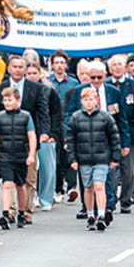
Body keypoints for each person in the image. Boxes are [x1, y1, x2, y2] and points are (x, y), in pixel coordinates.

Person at [62, 60, 127, 225]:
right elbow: (69, 117)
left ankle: (107, 209)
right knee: (87, 183)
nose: (96, 81)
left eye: (99, 77)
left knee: (105, 180)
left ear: (105, 76)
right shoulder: (78, 92)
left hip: (104, 143)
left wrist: (123, 144)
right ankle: (89, 210)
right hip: (84, 143)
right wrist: (68, 142)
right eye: (93, 77)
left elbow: (121, 119)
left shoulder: (113, 92)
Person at [0, 55, 51, 224]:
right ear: (9, 69)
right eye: (14, 66)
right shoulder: (0, 87)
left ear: (25, 70)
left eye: (20, 67)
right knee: (7, 183)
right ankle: (9, 212)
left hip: (27, 142)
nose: (17, 70)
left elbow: (42, 112)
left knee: (27, 180)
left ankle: (26, 211)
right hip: (6, 144)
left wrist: (44, 132)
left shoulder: (36, 88)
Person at [64, 87, 119, 232]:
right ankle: (90, 215)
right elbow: (70, 140)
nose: (89, 103)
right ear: (81, 101)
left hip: (101, 158)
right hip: (84, 159)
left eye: (91, 99)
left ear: (96, 100)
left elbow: (114, 138)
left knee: (99, 186)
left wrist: (115, 157)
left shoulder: (105, 117)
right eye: (86, 100)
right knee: (88, 188)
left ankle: (101, 215)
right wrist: (73, 159)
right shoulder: (76, 118)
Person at [0, 86, 37, 230]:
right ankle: (5, 213)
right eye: (5, 100)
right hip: (5, 156)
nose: (7, 103)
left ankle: (21, 213)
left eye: (10, 100)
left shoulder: (26, 116)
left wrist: (31, 154)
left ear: (18, 100)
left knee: (20, 185)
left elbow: (31, 136)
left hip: (21, 155)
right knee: (7, 184)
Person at [107, 54, 134, 213]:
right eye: (114, 65)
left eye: (120, 64)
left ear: (125, 67)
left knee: (129, 171)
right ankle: (111, 199)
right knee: (110, 169)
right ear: (110, 69)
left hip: (130, 132)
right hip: (110, 132)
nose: (117, 67)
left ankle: (126, 199)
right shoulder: (105, 85)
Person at [45, 51, 80, 202]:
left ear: (66, 65)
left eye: (62, 63)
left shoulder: (73, 83)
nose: (59, 66)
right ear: (52, 65)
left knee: (70, 153)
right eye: (56, 63)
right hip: (54, 122)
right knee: (56, 156)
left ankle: (71, 187)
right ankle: (57, 188)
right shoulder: (47, 82)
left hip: (70, 120)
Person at [25, 63, 58, 212]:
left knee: (47, 169)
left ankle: (46, 198)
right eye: (29, 73)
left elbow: (56, 115)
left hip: (45, 135)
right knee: (30, 170)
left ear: (40, 74)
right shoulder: (20, 91)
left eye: (34, 73)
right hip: (27, 134)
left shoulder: (48, 91)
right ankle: (28, 199)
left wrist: (52, 134)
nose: (31, 76)